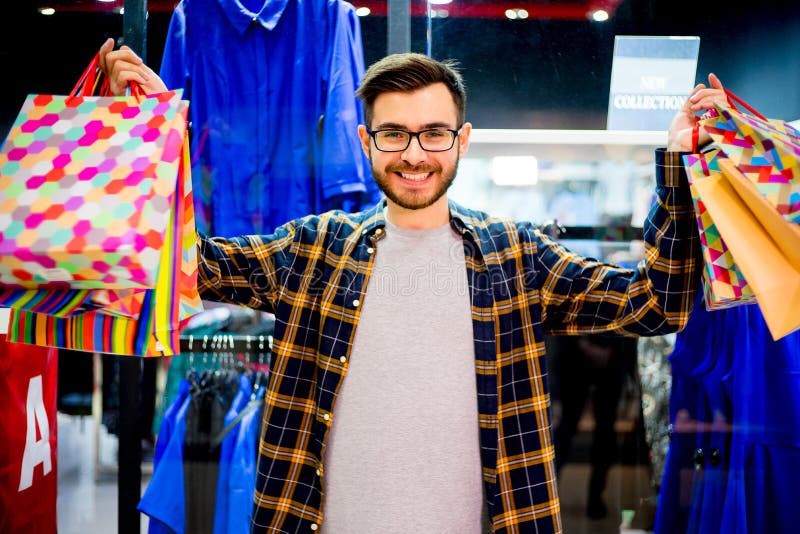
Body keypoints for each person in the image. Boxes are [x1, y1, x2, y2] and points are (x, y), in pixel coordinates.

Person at [99, 38, 726, 533]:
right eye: (394, 134)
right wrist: (152, 133)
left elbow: (658, 302)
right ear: (366, 141)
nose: (415, 154)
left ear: (462, 140)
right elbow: (181, 269)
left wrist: (673, 163)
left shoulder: (515, 256)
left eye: (434, 133)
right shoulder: (313, 251)